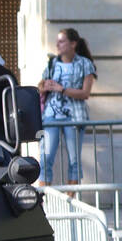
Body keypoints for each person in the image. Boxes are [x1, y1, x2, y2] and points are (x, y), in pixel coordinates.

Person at [38, 28, 96, 186]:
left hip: (74, 116)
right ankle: (42, 196)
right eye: (57, 41)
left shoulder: (85, 64)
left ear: (73, 44)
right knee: (45, 157)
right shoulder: (52, 63)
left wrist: (62, 89)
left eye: (62, 41)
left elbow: (85, 93)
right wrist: (45, 86)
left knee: (74, 159)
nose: (57, 44)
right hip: (51, 115)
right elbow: (41, 86)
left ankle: (71, 196)